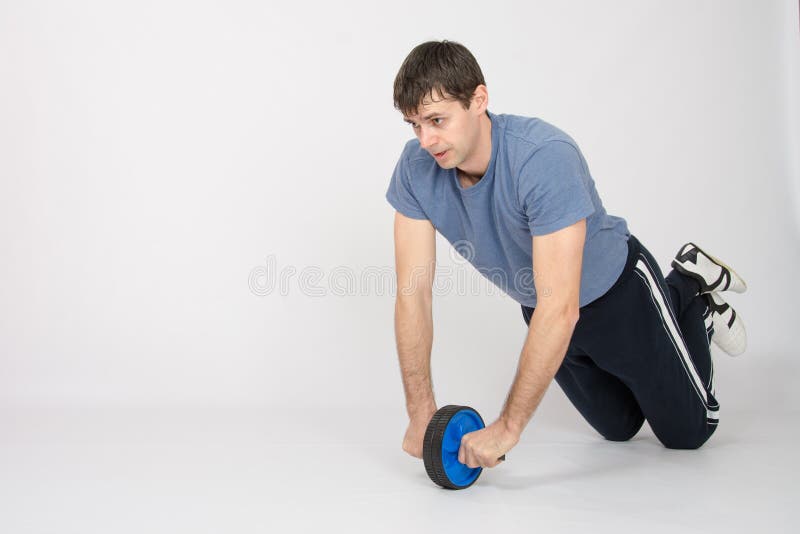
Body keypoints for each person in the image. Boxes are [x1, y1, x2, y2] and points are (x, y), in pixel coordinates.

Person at [385, 40, 748, 470]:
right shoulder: (416, 168)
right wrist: (420, 410)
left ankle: (690, 291)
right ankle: (679, 310)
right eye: (414, 125)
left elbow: (562, 307)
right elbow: (413, 293)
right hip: (542, 310)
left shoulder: (543, 158)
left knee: (688, 433)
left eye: (436, 120)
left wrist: (507, 427)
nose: (426, 140)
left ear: (479, 100)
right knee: (620, 429)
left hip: (620, 298)